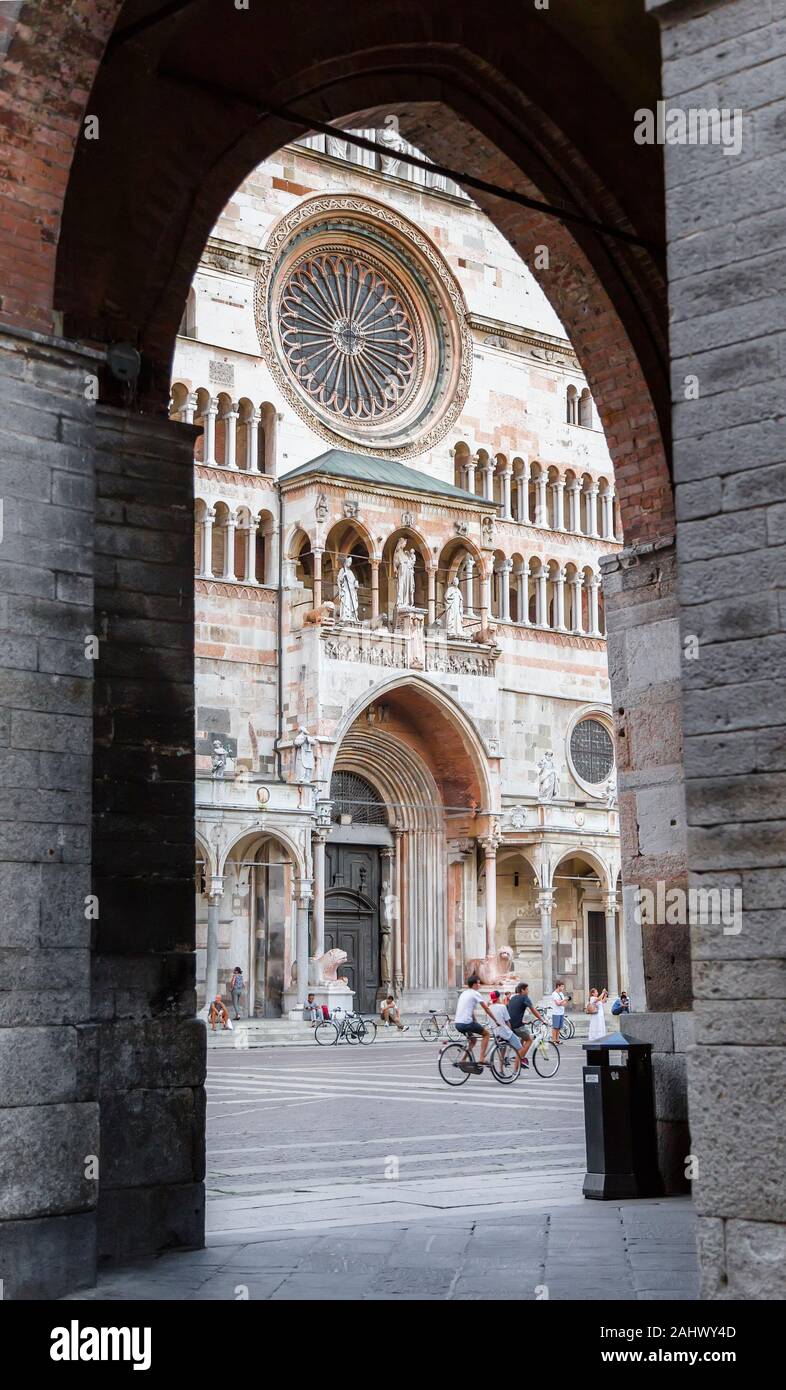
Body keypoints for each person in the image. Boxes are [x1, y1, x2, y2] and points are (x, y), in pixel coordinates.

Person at [453, 972, 498, 1073]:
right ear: (474, 985)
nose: (480, 985)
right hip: (466, 1023)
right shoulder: (475, 993)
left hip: (458, 1023)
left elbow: (470, 1010)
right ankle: (481, 1059)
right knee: (486, 1034)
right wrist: (496, 1020)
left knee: (473, 1040)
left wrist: (475, 1021)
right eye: (478, 983)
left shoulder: (464, 993)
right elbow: (486, 1008)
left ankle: (463, 1059)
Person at [488, 991, 530, 1070]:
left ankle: (501, 1070)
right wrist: (510, 1031)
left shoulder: (489, 1008)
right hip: (505, 1032)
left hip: (496, 1033)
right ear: (498, 997)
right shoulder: (502, 1007)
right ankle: (516, 1071)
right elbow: (507, 1022)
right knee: (520, 1049)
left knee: (502, 1052)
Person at [507, 981, 546, 1066]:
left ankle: (519, 1051)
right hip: (517, 1026)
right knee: (529, 1040)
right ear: (522, 990)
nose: (528, 991)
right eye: (527, 989)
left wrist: (522, 1021)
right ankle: (520, 1058)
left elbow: (513, 1011)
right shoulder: (524, 997)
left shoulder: (513, 998)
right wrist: (542, 1020)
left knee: (523, 1036)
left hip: (510, 1025)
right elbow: (533, 1010)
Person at [550, 979, 567, 1044]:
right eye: (562, 986)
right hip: (556, 1013)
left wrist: (563, 1001)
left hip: (561, 1012)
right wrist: (563, 1001)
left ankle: (557, 1039)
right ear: (558, 986)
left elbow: (563, 1003)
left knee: (559, 1027)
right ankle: (553, 1040)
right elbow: (557, 1003)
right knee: (555, 1027)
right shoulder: (554, 994)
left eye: (563, 986)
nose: (563, 988)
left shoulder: (561, 993)